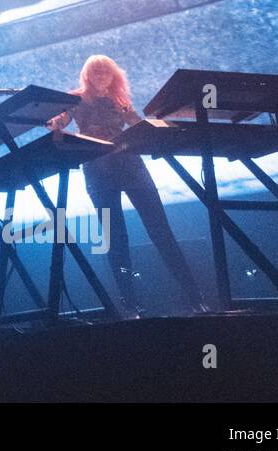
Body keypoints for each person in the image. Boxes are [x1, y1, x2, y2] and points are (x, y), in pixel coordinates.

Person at [48, 55, 206, 315]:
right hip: (99, 172)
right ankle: (130, 305)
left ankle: (195, 297)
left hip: (131, 167)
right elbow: (60, 122)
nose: (101, 75)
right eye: (96, 71)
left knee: (161, 231)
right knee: (116, 238)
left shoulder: (118, 98)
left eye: (105, 71)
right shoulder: (75, 98)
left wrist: (136, 117)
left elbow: (136, 124)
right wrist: (54, 123)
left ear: (113, 75)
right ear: (87, 74)